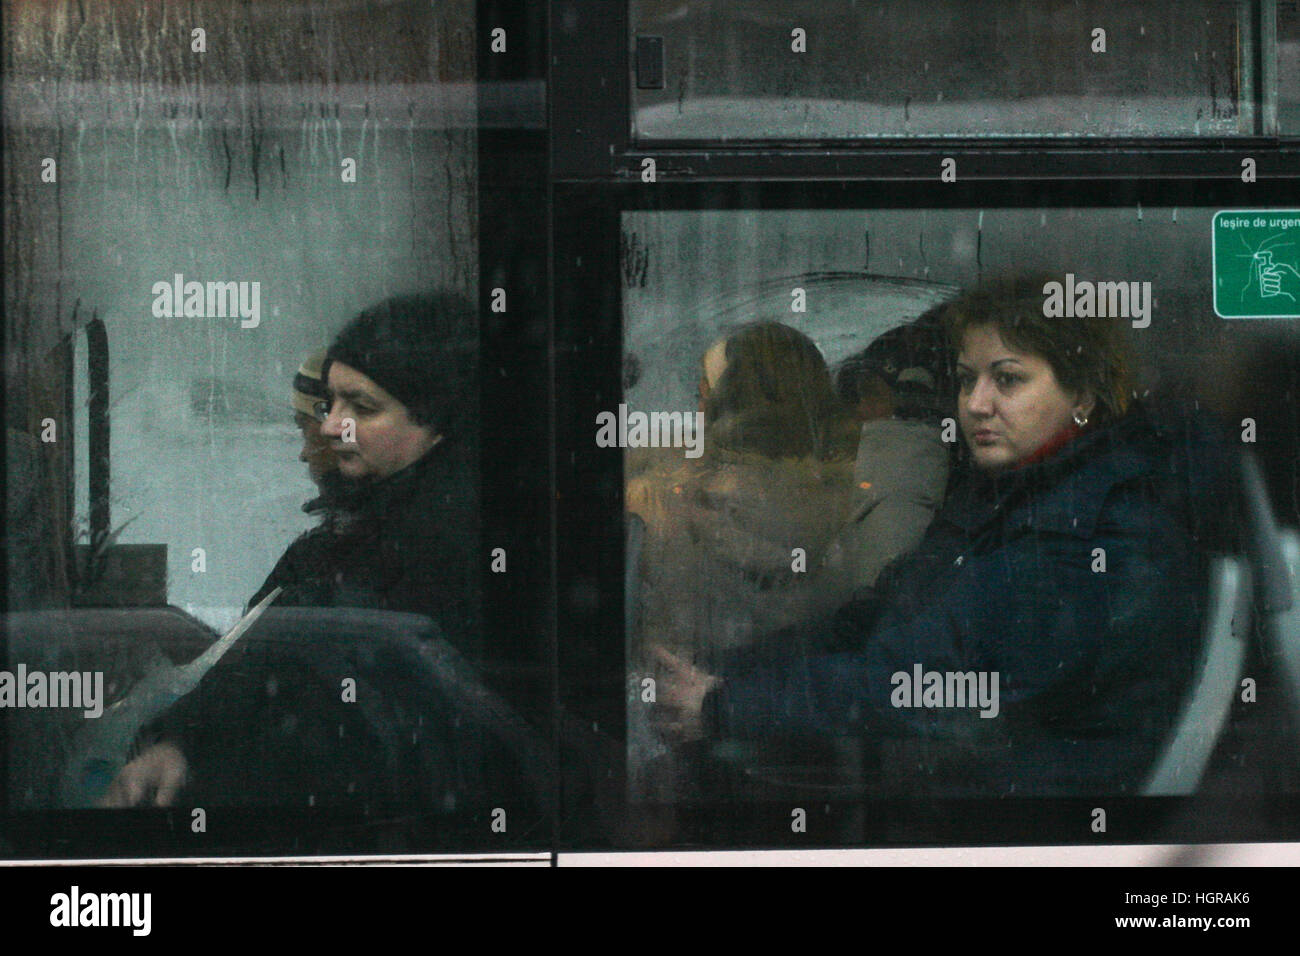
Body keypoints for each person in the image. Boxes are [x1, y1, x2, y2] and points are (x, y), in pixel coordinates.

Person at [653, 275, 1241, 797]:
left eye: (1007, 380)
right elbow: (879, 616)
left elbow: (923, 686)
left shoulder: (1092, 530)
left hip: (1031, 820)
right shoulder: (1012, 494)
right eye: (966, 380)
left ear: (1082, 396)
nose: (976, 404)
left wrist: (728, 706)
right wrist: (728, 670)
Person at [102, 293, 482, 808]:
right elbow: (264, 668)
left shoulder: (444, 559)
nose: (329, 428)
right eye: (331, 405)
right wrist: (179, 742)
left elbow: (332, 744)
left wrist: (199, 771)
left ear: (439, 424)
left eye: (362, 407)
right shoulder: (355, 538)